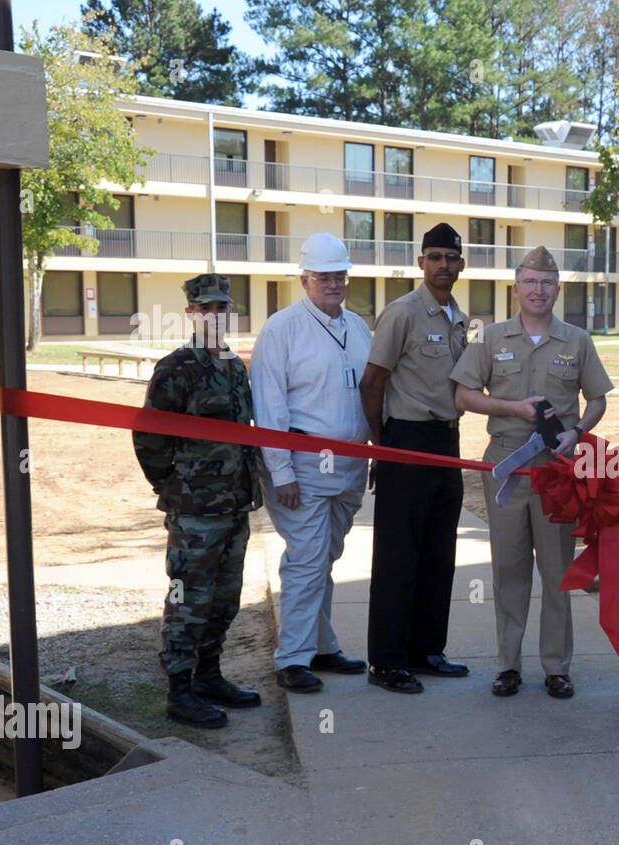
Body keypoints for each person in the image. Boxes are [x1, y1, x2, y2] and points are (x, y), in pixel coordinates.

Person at [451, 245, 612, 698]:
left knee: (558, 569)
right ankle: (507, 665)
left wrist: (578, 431)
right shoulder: (489, 337)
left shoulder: (577, 340)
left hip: (557, 468)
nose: (538, 290)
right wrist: (513, 408)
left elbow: (598, 398)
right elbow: (464, 395)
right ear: (515, 288)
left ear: (557, 290)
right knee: (509, 567)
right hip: (506, 464)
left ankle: (557, 667)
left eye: (546, 283)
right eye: (530, 282)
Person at [133, 274, 263, 728]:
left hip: (235, 504)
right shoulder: (177, 368)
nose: (215, 315)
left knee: (226, 598)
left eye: (222, 308)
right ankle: (179, 692)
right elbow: (149, 436)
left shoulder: (233, 365)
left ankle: (209, 676)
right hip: (194, 510)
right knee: (188, 599)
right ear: (191, 313)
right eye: (206, 308)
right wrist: (171, 487)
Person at [250, 233, 372, 693]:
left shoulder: (358, 327)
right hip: (301, 466)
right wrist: (280, 472)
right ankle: (293, 658)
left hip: (350, 466)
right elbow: (270, 405)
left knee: (326, 558)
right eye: (323, 277)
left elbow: (370, 392)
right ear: (304, 279)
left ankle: (321, 645)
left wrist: (374, 451)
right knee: (306, 559)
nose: (333, 284)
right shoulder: (281, 329)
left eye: (339, 276)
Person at [359, 222, 471, 694]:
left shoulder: (459, 317)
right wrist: (383, 446)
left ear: (461, 265)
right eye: (435, 256)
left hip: (448, 442)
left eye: (451, 257)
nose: (443, 265)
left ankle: (426, 650)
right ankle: (386, 661)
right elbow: (372, 383)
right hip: (405, 440)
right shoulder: (402, 312)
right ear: (421, 262)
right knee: (397, 556)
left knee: (439, 552)